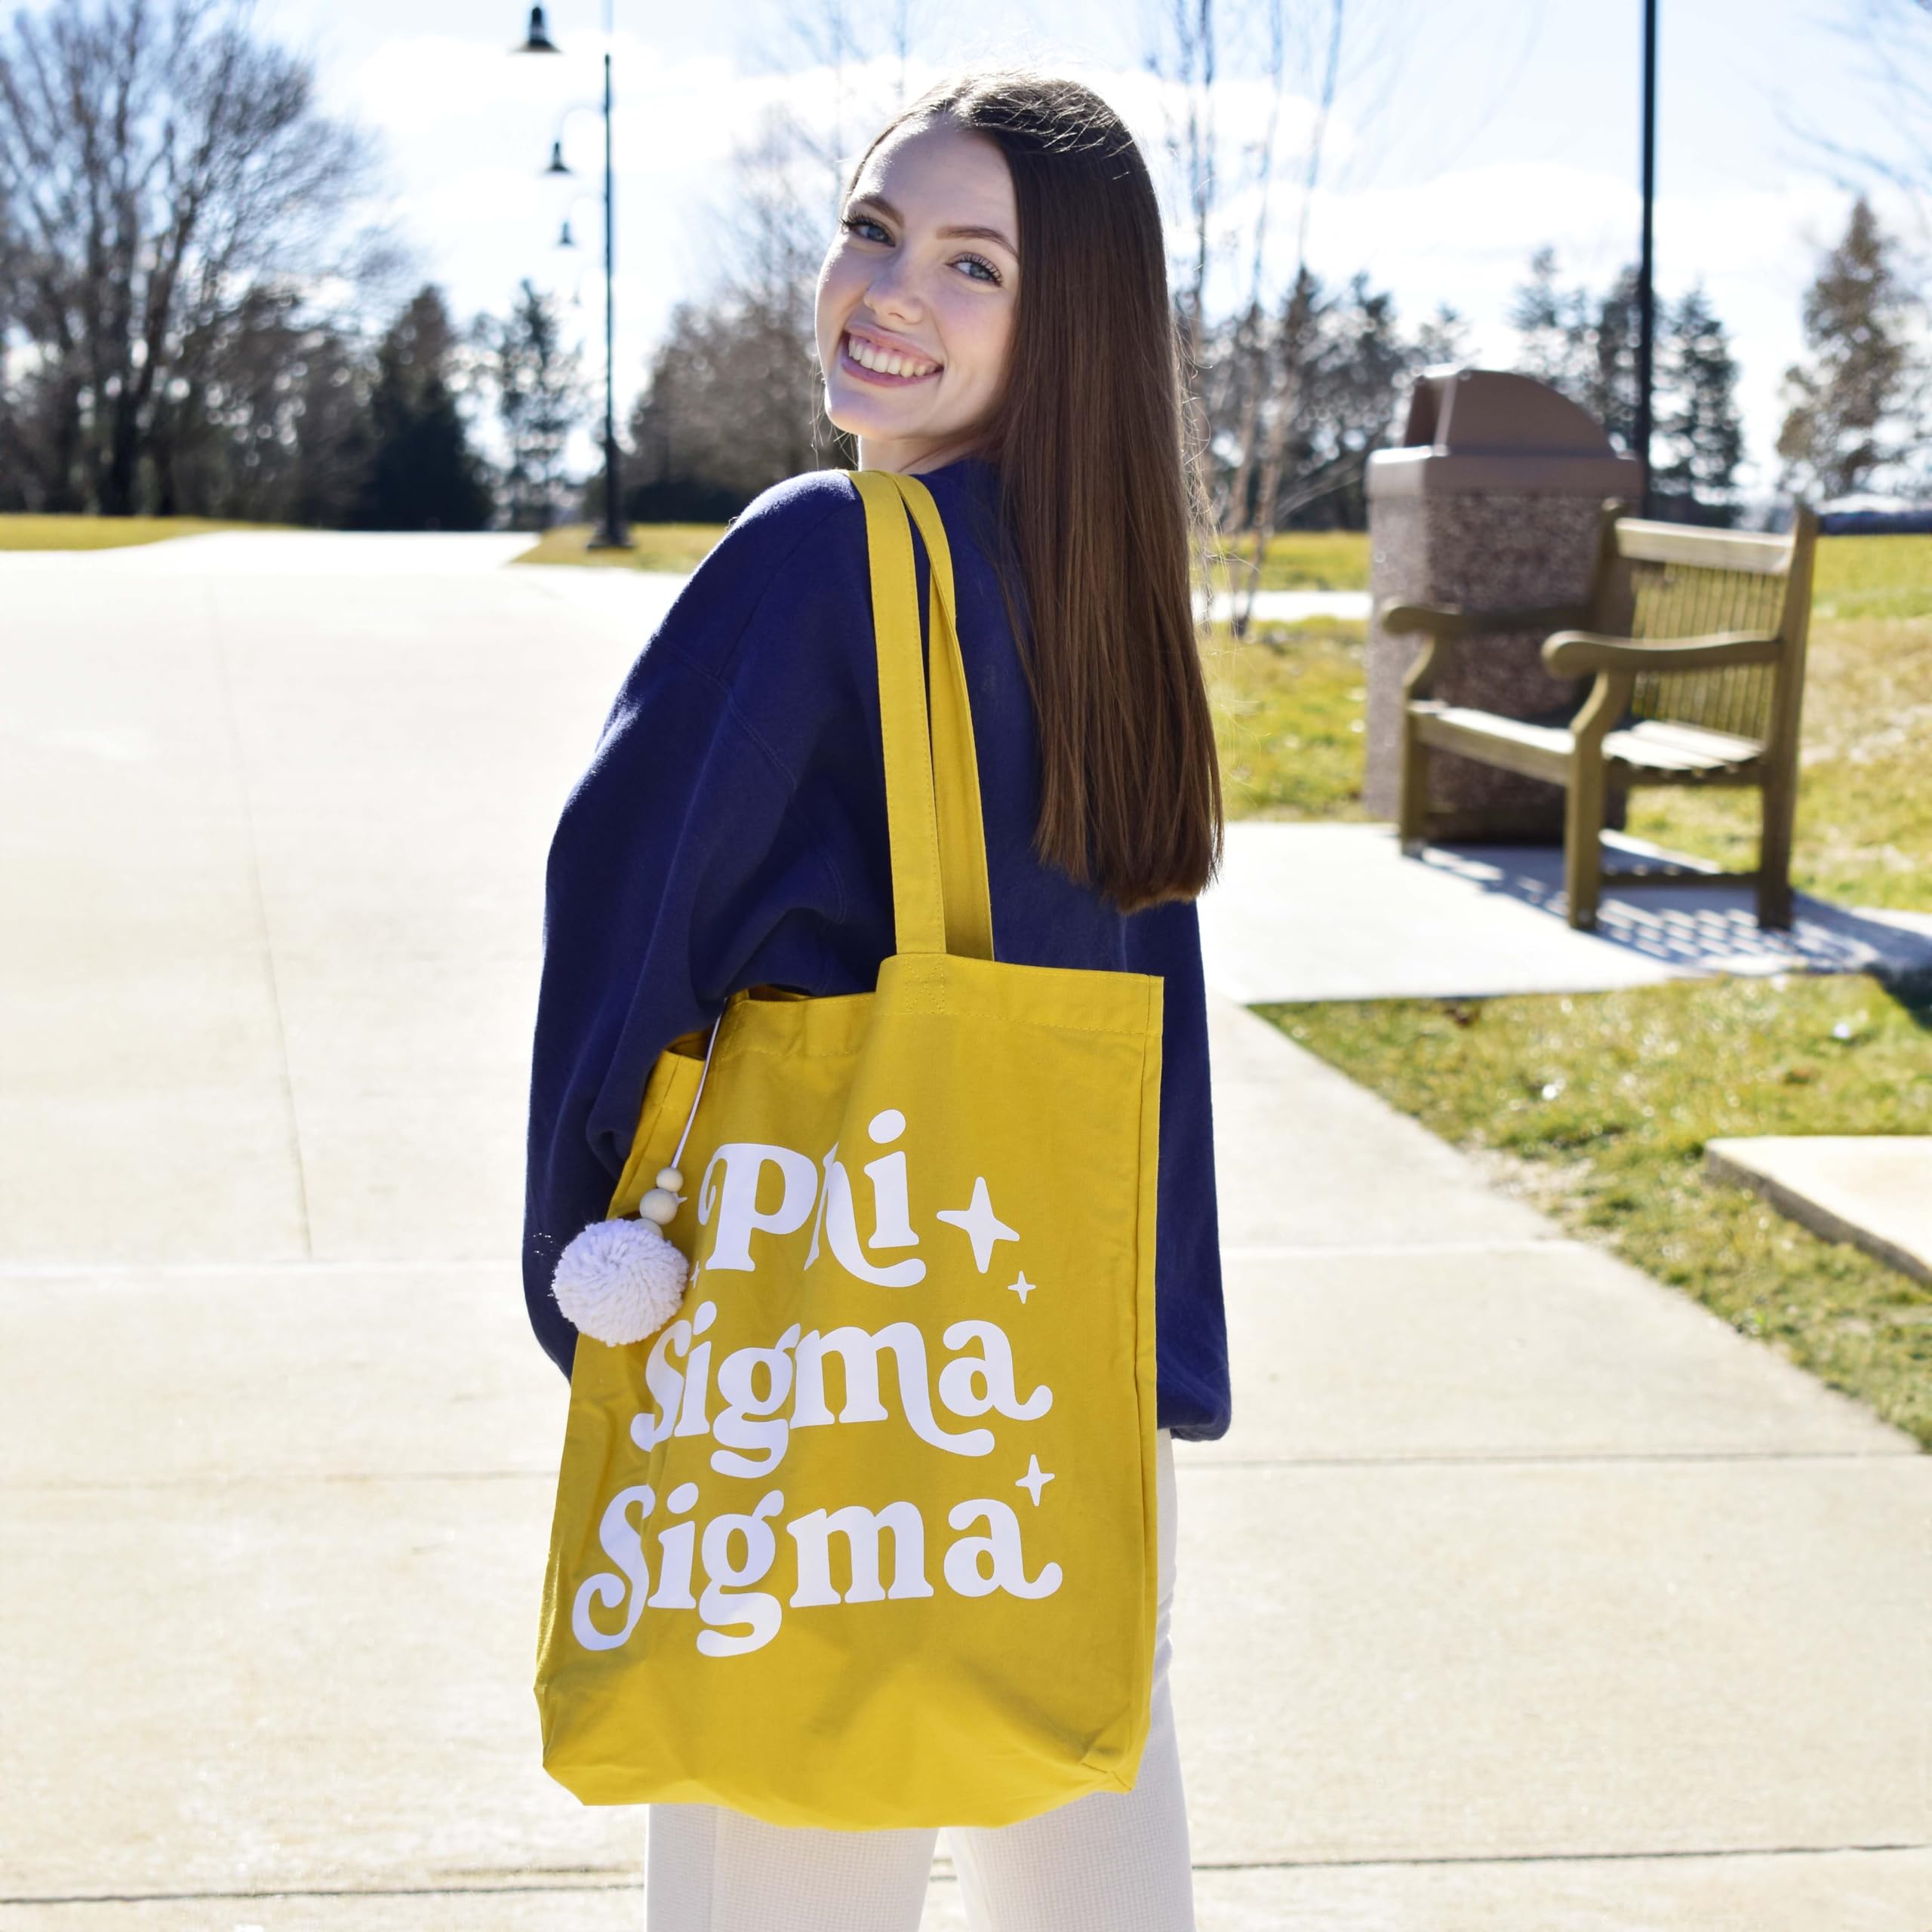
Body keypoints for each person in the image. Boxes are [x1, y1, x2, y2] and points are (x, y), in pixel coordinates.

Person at [523, 69, 1229, 1932]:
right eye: (869, 227)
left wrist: (580, 1258)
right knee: (1088, 1870)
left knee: (778, 1869)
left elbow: (622, 922)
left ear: (1062, 317)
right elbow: (1147, 1043)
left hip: (819, 1390)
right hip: (1054, 1412)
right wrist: (1152, 1366)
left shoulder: (811, 562)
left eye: (969, 260)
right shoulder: (1111, 617)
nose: (886, 286)